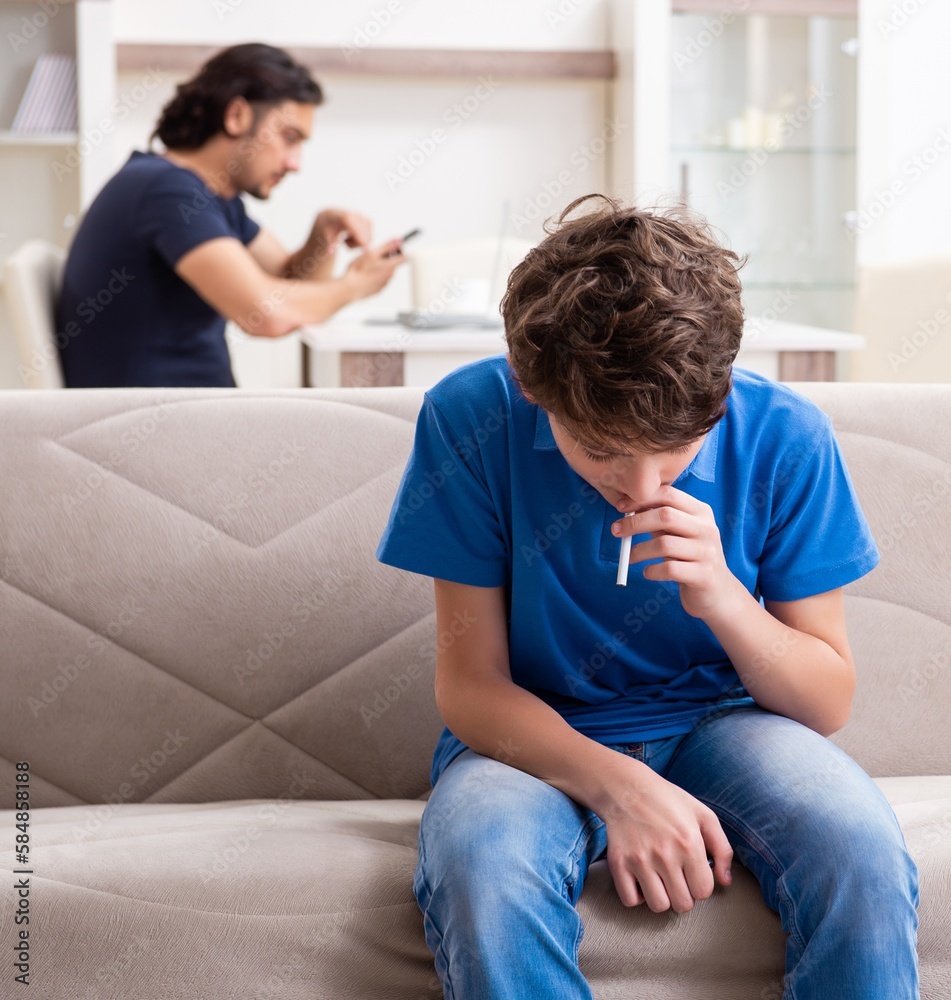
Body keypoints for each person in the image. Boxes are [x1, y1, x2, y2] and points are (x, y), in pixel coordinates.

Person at [376, 194, 920, 999]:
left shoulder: (784, 436)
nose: (637, 486)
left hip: (725, 721)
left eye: (675, 451)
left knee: (859, 852)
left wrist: (725, 598)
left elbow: (825, 699)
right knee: (481, 867)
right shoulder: (470, 419)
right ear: (533, 391)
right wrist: (621, 787)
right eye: (598, 448)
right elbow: (469, 685)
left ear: (720, 394)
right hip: (534, 734)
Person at [56, 43, 405, 388]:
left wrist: (321, 236)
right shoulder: (166, 191)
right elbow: (267, 313)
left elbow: (290, 281)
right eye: (288, 138)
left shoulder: (210, 197)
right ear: (237, 116)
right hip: (162, 430)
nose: (295, 163)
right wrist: (355, 285)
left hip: (190, 421)